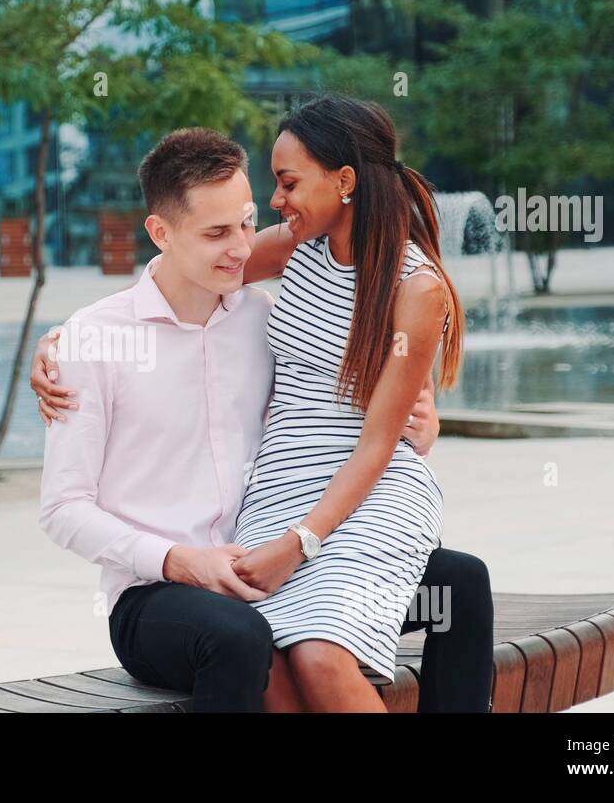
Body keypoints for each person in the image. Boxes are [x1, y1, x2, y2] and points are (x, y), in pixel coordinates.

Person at [37, 121, 492, 713]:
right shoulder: (95, 341)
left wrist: (421, 414)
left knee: (460, 582)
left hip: (271, 555)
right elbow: (62, 510)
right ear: (160, 232)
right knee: (244, 638)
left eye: (249, 222)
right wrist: (180, 560)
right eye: (217, 232)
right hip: (160, 592)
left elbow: (347, 389)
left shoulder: (265, 320)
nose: (242, 246)